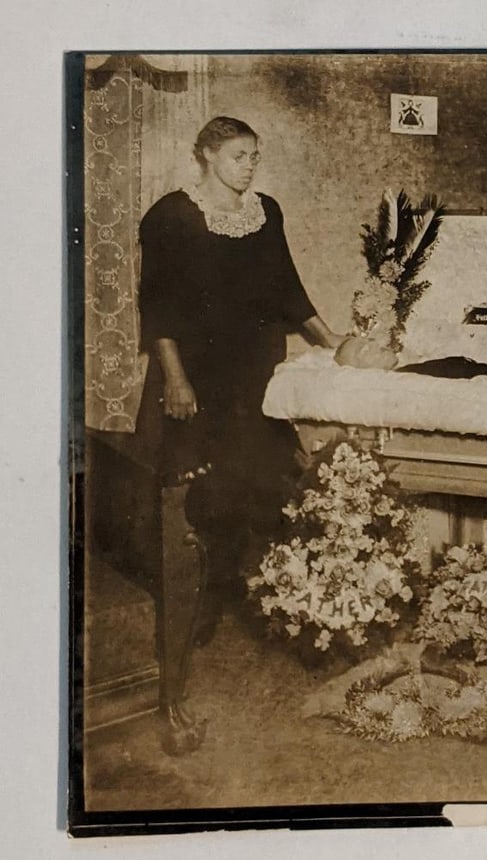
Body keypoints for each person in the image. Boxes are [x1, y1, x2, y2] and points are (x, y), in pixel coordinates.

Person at [139, 116, 345, 642]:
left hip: (257, 368)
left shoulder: (265, 212)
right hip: (199, 372)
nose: (249, 166)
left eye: (254, 156)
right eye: (238, 156)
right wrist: (176, 380)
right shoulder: (172, 216)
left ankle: (244, 594)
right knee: (204, 489)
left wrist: (338, 345)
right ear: (206, 154)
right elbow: (159, 308)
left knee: (257, 480)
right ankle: (199, 606)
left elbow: (288, 290)